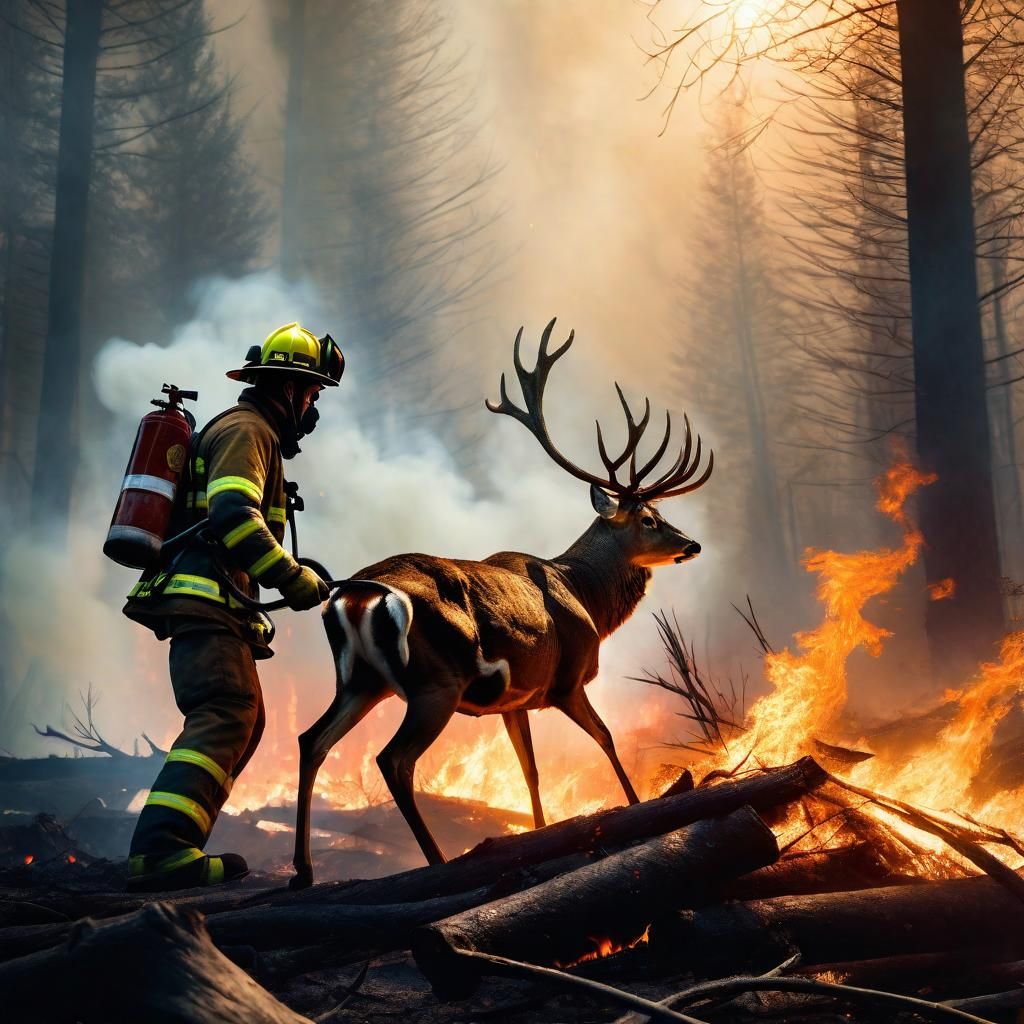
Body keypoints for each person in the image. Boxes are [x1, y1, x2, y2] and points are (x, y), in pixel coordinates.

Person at [122, 322, 344, 892]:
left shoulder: (248, 430)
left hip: (214, 601)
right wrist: (289, 578)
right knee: (226, 708)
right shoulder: (249, 431)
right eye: (312, 394)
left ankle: (176, 846)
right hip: (205, 599)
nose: (313, 408)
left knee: (246, 717)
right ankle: (161, 852)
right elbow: (232, 515)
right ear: (290, 389)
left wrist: (297, 572)